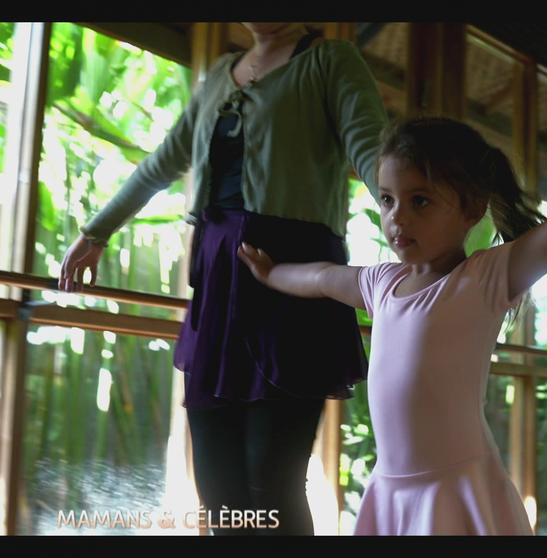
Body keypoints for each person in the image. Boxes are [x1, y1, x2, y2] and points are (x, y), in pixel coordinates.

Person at [237, 116, 547, 535]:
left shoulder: (487, 277)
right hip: (391, 486)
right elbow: (323, 277)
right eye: (387, 200)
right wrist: (271, 273)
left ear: (470, 209)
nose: (397, 218)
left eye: (420, 201)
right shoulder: (381, 283)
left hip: (454, 486)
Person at [58, 22, 388, 535]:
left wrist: (400, 214)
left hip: (294, 276)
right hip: (217, 281)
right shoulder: (217, 75)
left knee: (272, 481)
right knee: (218, 487)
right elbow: (164, 161)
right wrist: (98, 231)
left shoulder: (330, 61)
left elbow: (370, 149)